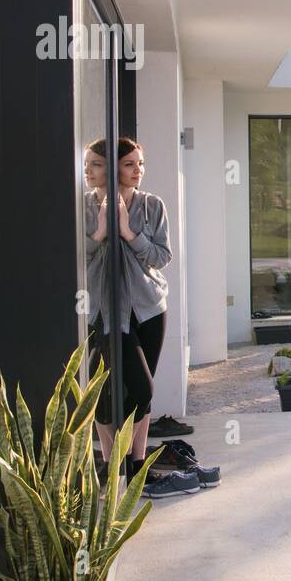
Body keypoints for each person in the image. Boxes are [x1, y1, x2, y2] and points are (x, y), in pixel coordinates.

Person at [83, 137, 198, 499]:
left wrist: (128, 233)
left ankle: (135, 470)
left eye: (140, 164)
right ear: (113, 167)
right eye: (131, 164)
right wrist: (101, 230)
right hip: (104, 312)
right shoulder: (84, 207)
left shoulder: (152, 206)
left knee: (142, 396)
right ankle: (113, 463)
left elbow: (162, 256)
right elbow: (74, 257)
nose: (138, 171)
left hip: (149, 308)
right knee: (127, 391)